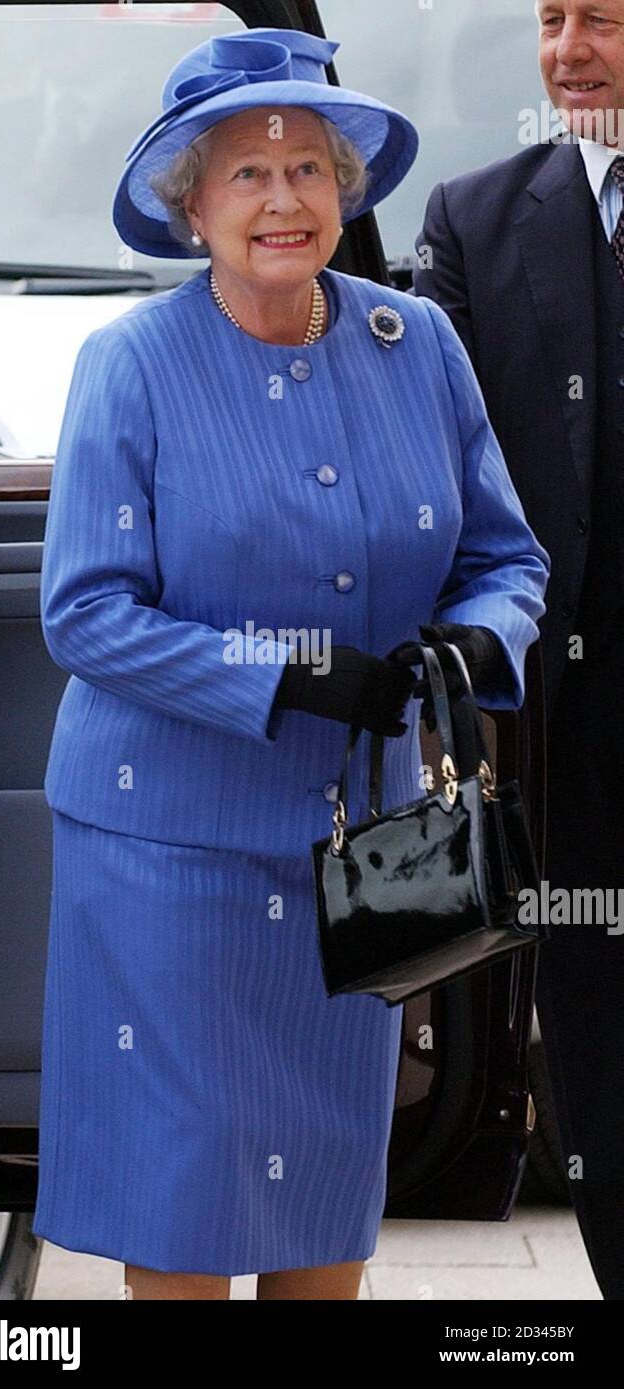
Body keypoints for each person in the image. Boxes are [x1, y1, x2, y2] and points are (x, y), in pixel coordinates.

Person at [31, 27, 549, 1301]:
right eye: (248, 175)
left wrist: (478, 637)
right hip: (169, 856)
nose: (282, 200)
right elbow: (84, 612)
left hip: (356, 861)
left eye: (308, 169)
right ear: (190, 204)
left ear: (344, 192)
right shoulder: (129, 367)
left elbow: (506, 556)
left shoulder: (413, 342)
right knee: (191, 1204)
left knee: (326, 1198)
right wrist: (283, 674)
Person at [414, 0, 624, 1301]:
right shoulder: (474, 216)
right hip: (565, 716)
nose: (563, 50)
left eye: (596, 18)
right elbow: (413, 452)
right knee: (594, 1012)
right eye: (548, 20)